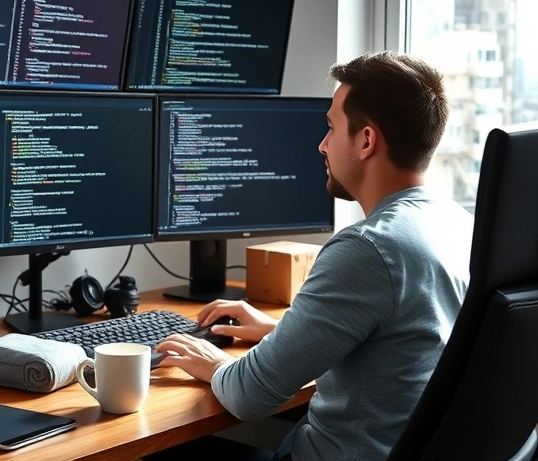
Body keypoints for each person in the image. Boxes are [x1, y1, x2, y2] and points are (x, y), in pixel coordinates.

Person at [147, 51, 476, 461]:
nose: (322, 145)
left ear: (367, 141)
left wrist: (213, 362)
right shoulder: (457, 223)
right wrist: (280, 334)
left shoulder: (369, 248)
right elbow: (402, 349)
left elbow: (249, 397)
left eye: (331, 127)